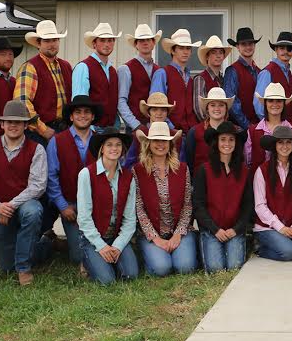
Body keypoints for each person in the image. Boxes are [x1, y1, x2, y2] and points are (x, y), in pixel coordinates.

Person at [0, 100, 52, 285]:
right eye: (9, 121)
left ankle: (24, 267)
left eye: (18, 121)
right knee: (7, 267)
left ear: (25, 125)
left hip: (24, 204)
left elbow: (38, 185)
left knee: (33, 211)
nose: (13, 125)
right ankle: (43, 245)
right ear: (2, 124)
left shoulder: (36, 149)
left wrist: (11, 205)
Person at [132, 122, 197, 277]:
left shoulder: (182, 169)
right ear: (148, 143)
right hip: (152, 232)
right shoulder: (138, 170)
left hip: (178, 230)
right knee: (162, 268)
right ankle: (152, 256)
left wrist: (178, 234)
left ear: (170, 144)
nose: (160, 144)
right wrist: (156, 239)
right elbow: (139, 208)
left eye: (164, 140)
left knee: (185, 267)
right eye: (156, 140)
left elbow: (188, 205)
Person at [77, 127, 139, 285]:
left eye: (118, 145)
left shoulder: (128, 177)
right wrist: (101, 246)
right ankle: (89, 259)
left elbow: (130, 218)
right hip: (93, 238)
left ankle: (112, 259)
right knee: (107, 281)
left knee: (130, 275)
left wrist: (117, 246)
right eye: (109, 144)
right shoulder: (86, 174)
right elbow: (84, 217)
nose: (114, 148)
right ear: (102, 149)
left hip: (116, 236)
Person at [45, 95, 100, 268]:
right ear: (71, 116)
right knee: (78, 256)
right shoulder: (57, 141)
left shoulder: (102, 141)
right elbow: (51, 177)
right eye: (78, 112)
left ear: (92, 116)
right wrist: (62, 206)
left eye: (87, 112)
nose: (82, 115)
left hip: (96, 204)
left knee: (97, 245)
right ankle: (49, 243)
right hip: (70, 205)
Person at [193, 121, 252, 272]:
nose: (227, 143)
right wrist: (215, 229)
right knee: (216, 269)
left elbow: (248, 205)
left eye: (231, 139)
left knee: (234, 267)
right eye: (223, 139)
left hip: (234, 229)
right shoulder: (204, 170)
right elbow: (198, 205)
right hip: (212, 229)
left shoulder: (244, 172)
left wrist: (236, 229)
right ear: (216, 142)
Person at [253, 126, 292, 262]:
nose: (285, 146)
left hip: (291, 223)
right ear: (274, 145)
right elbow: (260, 206)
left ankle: (285, 243)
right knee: (288, 252)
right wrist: (280, 227)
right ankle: (260, 247)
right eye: (280, 142)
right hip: (267, 227)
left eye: (288, 142)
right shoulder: (262, 170)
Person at [14, 20, 73, 146]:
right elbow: (22, 102)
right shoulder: (30, 67)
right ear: (38, 44)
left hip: (65, 129)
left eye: (55, 40)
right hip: (39, 134)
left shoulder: (66, 66)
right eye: (47, 41)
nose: (52, 44)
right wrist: (43, 130)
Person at [72, 23, 122, 129]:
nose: (107, 44)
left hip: (112, 126)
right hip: (93, 128)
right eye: (102, 40)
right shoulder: (83, 67)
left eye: (110, 40)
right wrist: (89, 128)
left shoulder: (112, 71)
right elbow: (79, 102)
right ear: (94, 43)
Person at [150, 29, 200, 132]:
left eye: (188, 48)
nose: (185, 52)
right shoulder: (162, 73)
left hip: (190, 131)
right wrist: (170, 127)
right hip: (169, 131)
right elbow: (155, 105)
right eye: (181, 48)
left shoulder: (190, 79)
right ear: (173, 51)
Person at [117, 24, 162, 132]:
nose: (145, 42)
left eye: (148, 40)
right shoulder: (126, 69)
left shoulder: (160, 70)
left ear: (153, 43)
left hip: (157, 128)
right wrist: (136, 125)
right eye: (141, 40)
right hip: (134, 129)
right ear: (136, 44)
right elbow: (121, 102)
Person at [245, 83, 292, 168]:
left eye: (279, 101)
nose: (275, 104)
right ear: (265, 103)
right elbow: (248, 159)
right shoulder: (252, 131)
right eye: (270, 100)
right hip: (258, 179)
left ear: (284, 104)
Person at [124, 92, 183, 168]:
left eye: (163, 110)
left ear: (167, 113)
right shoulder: (138, 135)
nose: (159, 113)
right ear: (149, 112)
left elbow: (180, 164)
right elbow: (129, 165)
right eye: (154, 109)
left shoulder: (175, 135)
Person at [255, 32, 292, 125]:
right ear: (276, 50)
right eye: (282, 48)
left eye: (289, 48)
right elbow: (259, 105)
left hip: (290, 127)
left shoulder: (289, 73)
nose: (285, 52)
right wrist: (270, 125)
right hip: (273, 129)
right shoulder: (267, 72)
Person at [184, 86, 233, 172]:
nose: (217, 109)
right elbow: (190, 161)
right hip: (201, 182)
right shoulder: (194, 132)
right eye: (213, 105)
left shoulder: (234, 131)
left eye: (221, 105)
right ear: (207, 108)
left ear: (226, 108)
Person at [224, 27, 262, 128]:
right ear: (237, 47)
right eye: (243, 44)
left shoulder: (260, 72)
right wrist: (247, 126)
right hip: (239, 129)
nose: (248, 47)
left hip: (258, 126)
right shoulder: (232, 70)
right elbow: (232, 103)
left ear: (254, 45)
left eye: (250, 44)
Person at [194, 35, 231, 124]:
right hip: (207, 128)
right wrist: (212, 124)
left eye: (220, 52)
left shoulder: (224, 79)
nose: (218, 56)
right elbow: (199, 109)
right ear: (207, 56)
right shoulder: (200, 78)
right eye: (214, 52)